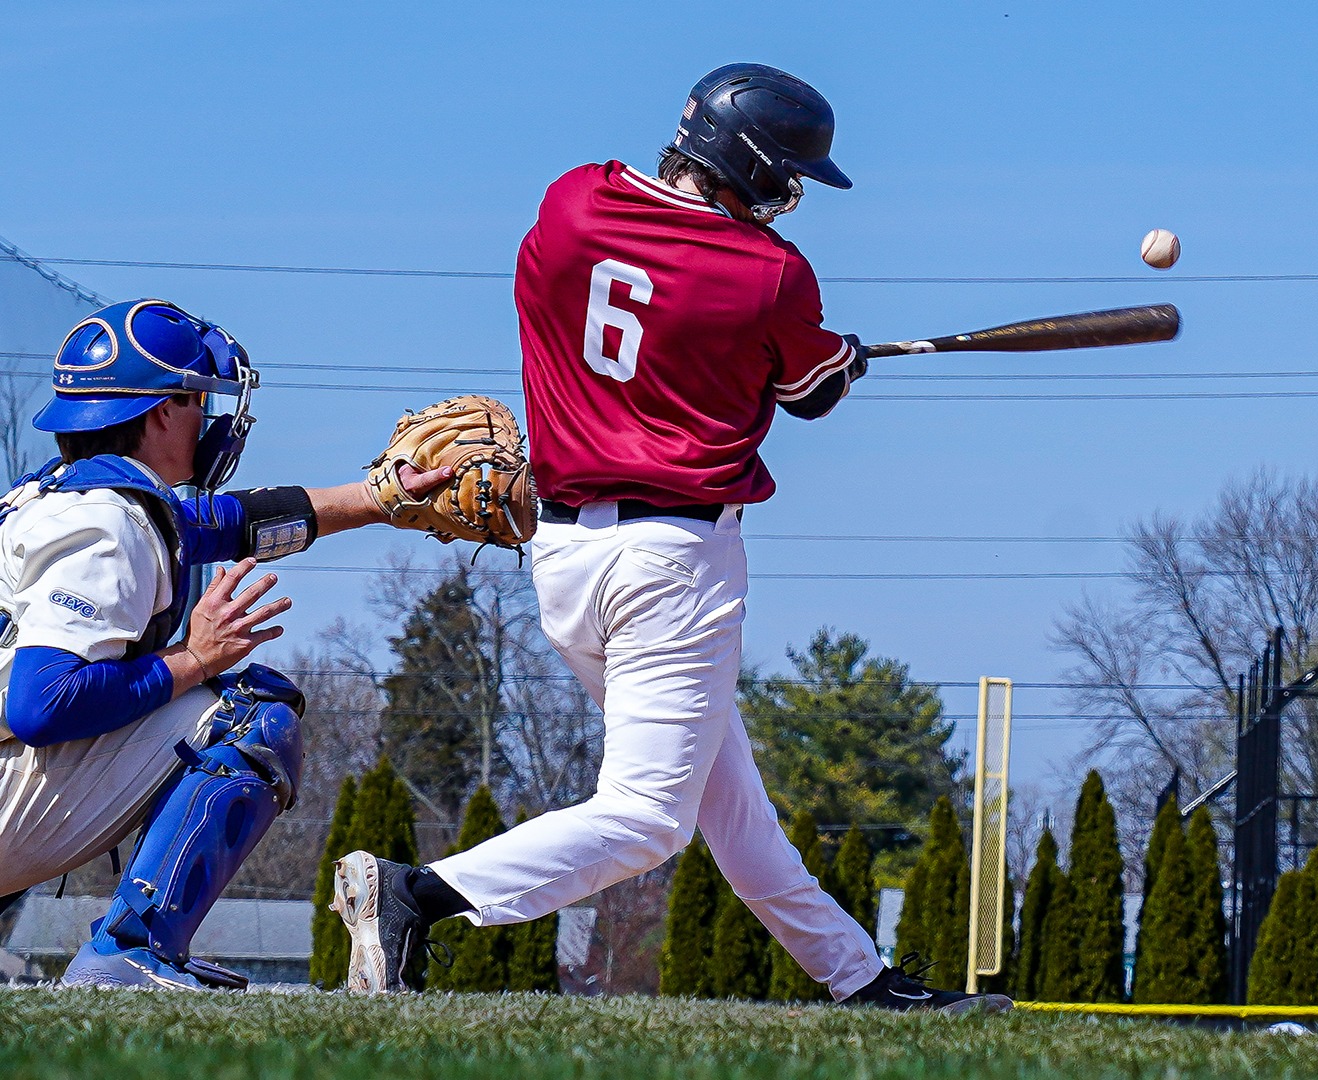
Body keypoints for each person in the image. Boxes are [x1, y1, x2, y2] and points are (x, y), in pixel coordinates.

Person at [332, 63, 1011, 1012]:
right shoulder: (772, 274)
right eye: (788, 176)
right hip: (674, 565)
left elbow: (633, 302)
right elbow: (808, 396)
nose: (792, 195)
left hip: (564, 558)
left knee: (732, 811)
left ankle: (861, 980)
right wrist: (838, 358)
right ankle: (416, 896)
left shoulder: (573, 203)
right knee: (649, 819)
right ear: (751, 165)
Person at [0, 298, 446, 989]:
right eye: (196, 401)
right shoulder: (105, 526)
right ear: (157, 414)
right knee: (249, 713)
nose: (210, 420)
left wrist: (381, 499)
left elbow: (232, 521)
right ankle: (127, 954)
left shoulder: (58, 498)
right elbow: (44, 705)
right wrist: (195, 660)